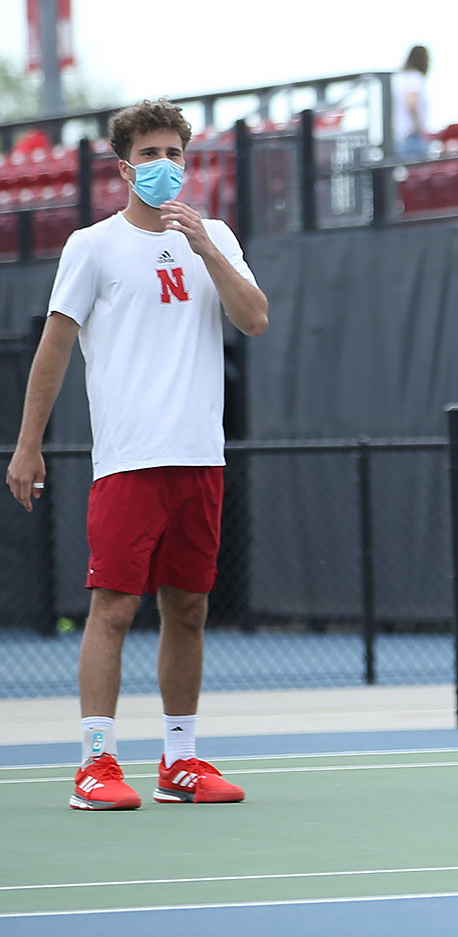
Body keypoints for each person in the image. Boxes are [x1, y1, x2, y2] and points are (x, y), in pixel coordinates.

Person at [5, 99, 269, 810]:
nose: (163, 167)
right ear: (124, 166)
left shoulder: (214, 236)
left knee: (188, 610)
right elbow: (55, 346)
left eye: (174, 154)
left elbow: (255, 318)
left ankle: (179, 762)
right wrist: (28, 444)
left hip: (199, 457)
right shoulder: (91, 245)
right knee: (114, 610)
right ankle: (95, 764)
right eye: (149, 155)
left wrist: (206, 247)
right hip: (127, 460)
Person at [392, 45, 431, 159]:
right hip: (411, 135)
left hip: (397, 136)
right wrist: (420, 128)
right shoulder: (415, 77)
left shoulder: (399, 78)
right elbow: (411, 103)